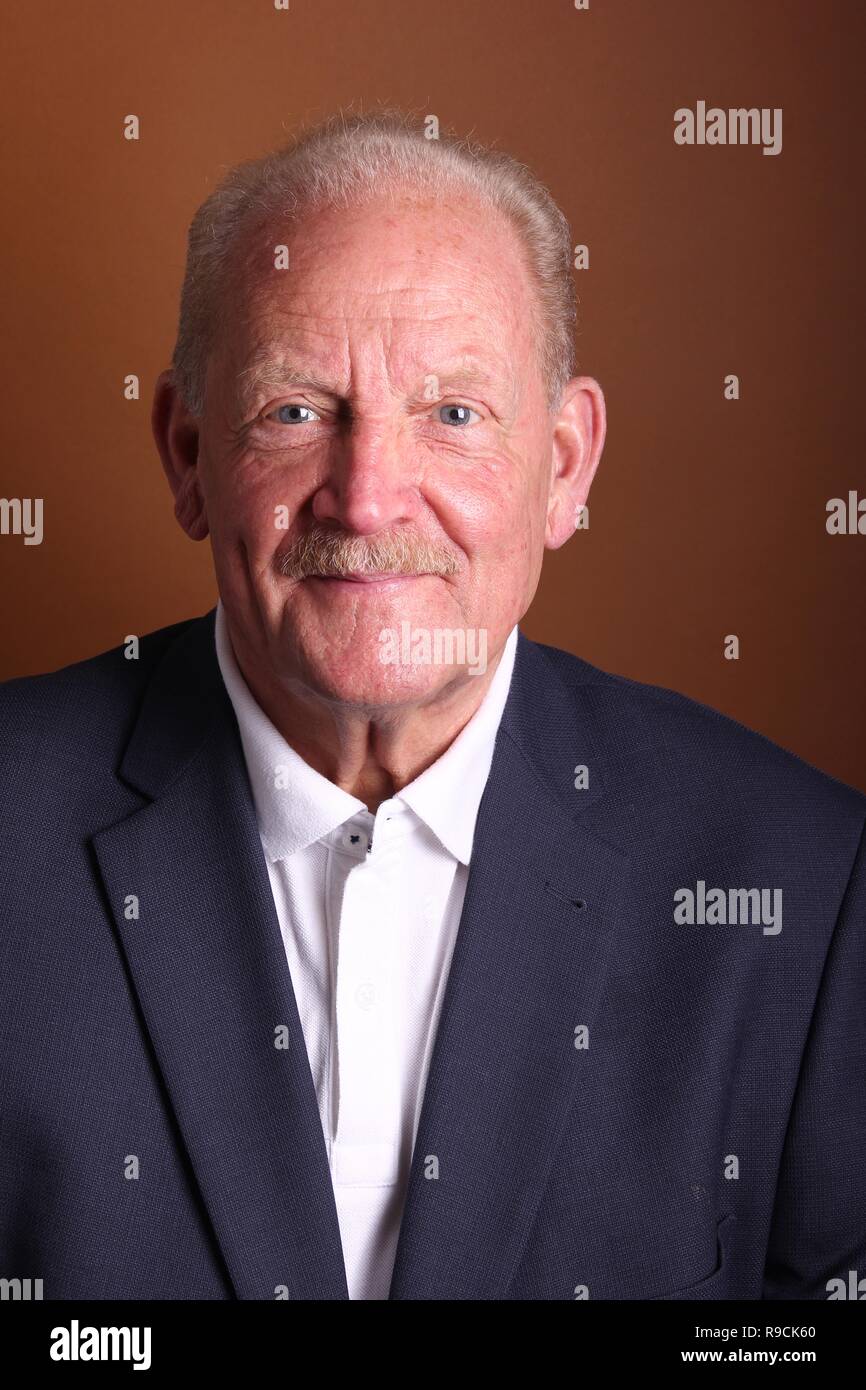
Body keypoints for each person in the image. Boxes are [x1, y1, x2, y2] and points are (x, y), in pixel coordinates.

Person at [1, 109, 863, 1301]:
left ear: (564, 467)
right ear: (186, 454)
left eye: (452, 413)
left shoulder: (805, 883)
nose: (366, 499)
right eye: (294, 410)